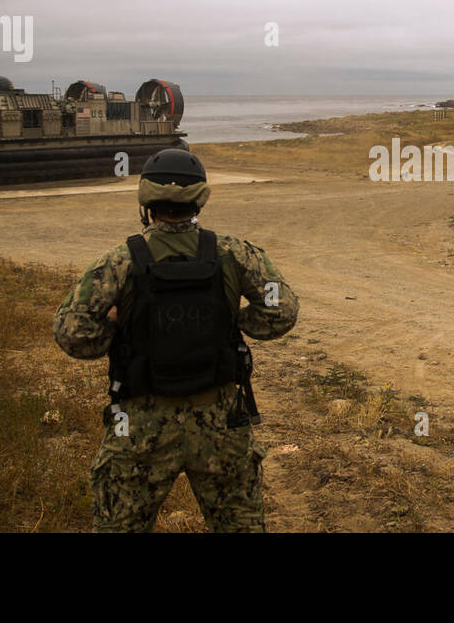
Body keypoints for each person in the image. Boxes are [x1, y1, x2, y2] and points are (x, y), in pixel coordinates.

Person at [53, 148, 298, 532]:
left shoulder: (118, 261)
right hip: (220, 423)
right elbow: (281, 312)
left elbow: (72, 334)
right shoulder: (234, 254)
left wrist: (116, 326)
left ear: (146, 201)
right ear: (200, 199)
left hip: (138, 424)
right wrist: (234, 317)